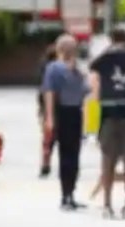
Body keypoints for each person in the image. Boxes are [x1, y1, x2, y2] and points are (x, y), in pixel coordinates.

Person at [89, 27, 125, 219]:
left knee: (108, 159)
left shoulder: (104, 58)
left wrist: (92, 122)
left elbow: (94, 82)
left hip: (108, 112)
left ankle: (107, 203)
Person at [42, 34, 89, 210]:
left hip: (76, 111)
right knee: (65, 155)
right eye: (68, 47)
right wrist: (49, 117)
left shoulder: (78, 68)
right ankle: (65, 194)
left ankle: (72, 192)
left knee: (75, 154)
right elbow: (49, 92)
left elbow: (85, 90)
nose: (71, 51)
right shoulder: (53, 68)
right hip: (62, 111)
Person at [37, 43, 58, 178]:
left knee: (48, 138)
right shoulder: (58, 69)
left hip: (45, 105)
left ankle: (45, 163)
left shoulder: (44, 68)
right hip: (59, 105)